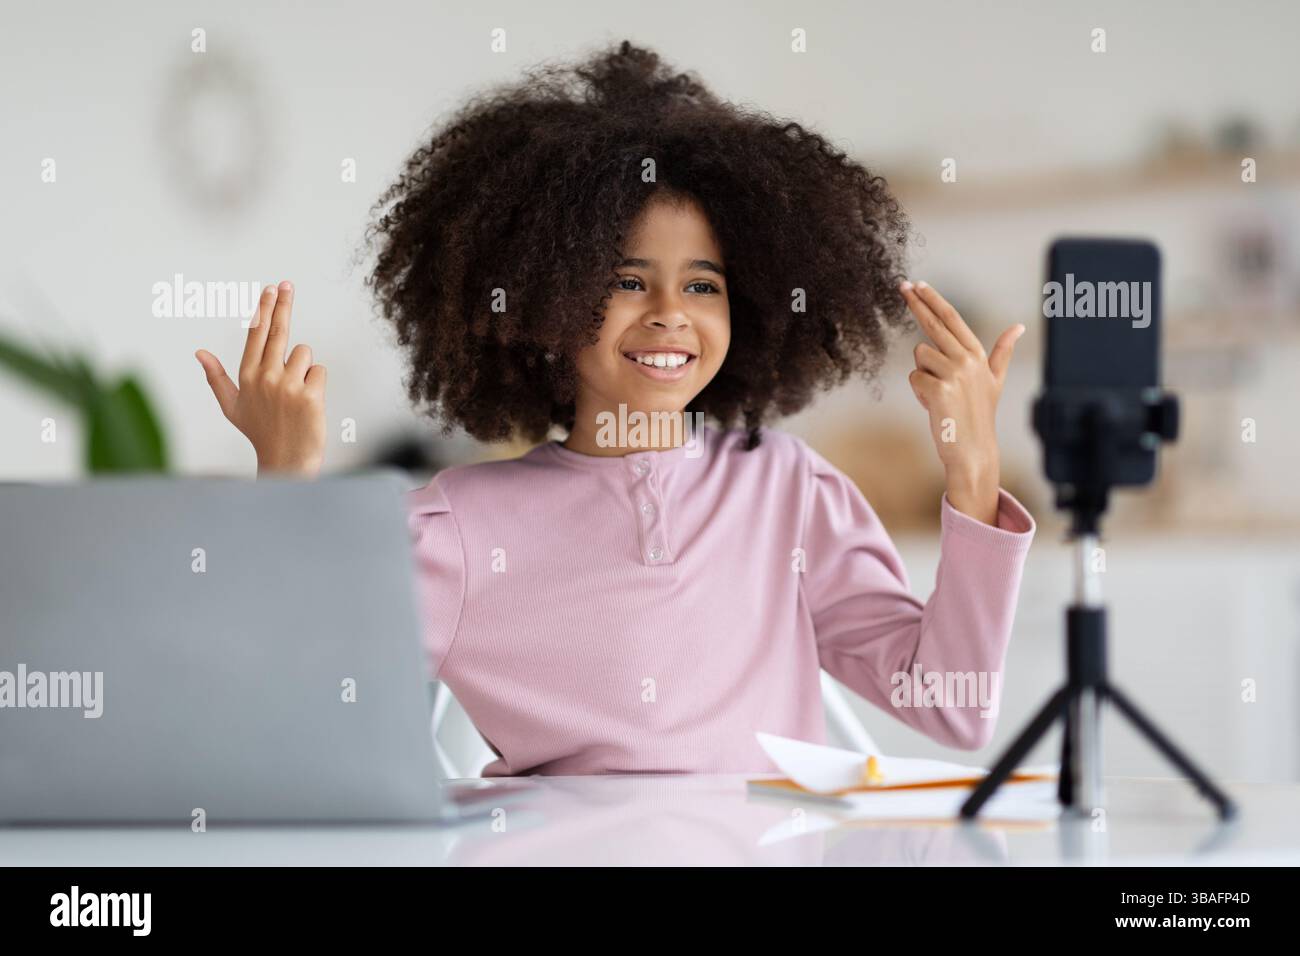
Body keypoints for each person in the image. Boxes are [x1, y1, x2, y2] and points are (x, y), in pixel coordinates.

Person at [195, 41, 1034, 776]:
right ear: (544, 302)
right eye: (628, 281)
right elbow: (286, 706)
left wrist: (971, 472)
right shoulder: (459, 528)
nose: (670, 312)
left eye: (703, 284)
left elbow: (950, 708)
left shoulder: (791, 493)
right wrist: (286, 482)